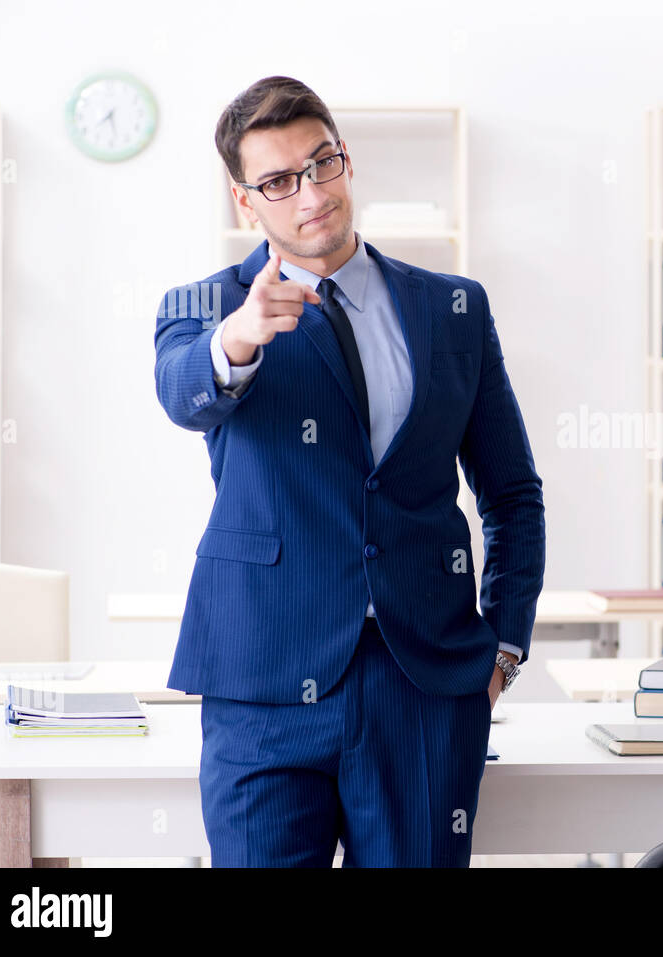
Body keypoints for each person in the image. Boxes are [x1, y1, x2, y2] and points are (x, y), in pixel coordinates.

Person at [153, 76, 545, 867]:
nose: (310, 193)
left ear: (347, 161)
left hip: (421, 684)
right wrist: (239, 338)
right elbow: (183, 393)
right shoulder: (208, 309)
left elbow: (512, 494)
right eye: (278, 180)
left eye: (321, 162)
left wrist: (505, 645)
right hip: (264, 679)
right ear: (246, 203)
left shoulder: (452, 308)